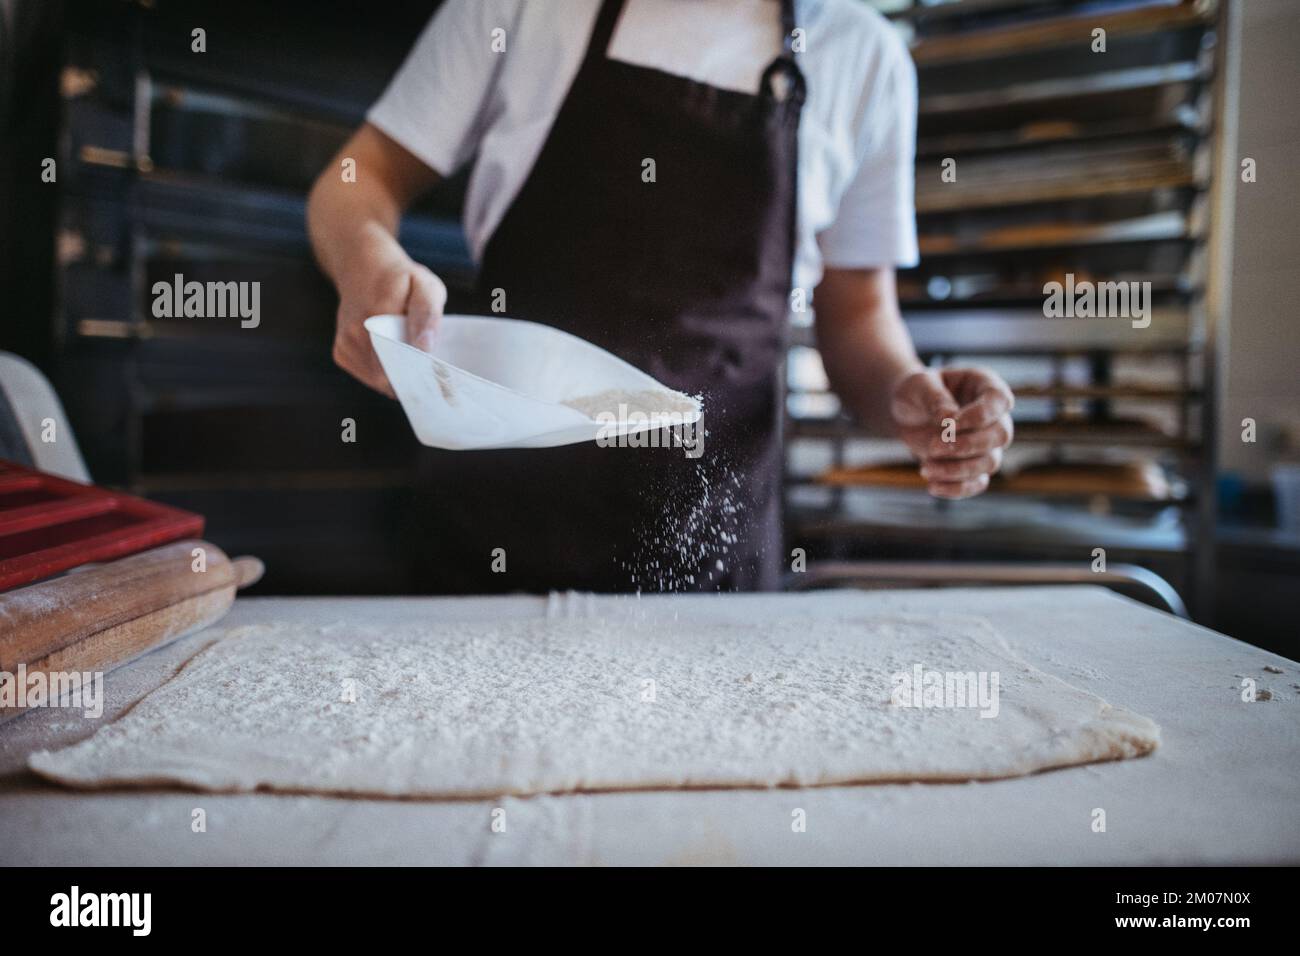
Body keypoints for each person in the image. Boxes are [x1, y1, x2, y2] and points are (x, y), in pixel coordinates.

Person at [307, 0, 1014, 594]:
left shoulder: (862, 53)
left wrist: (907, 394)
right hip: (493, 543)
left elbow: (859, 317)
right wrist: (366, 259)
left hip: (714, 572)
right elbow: (359, 177)